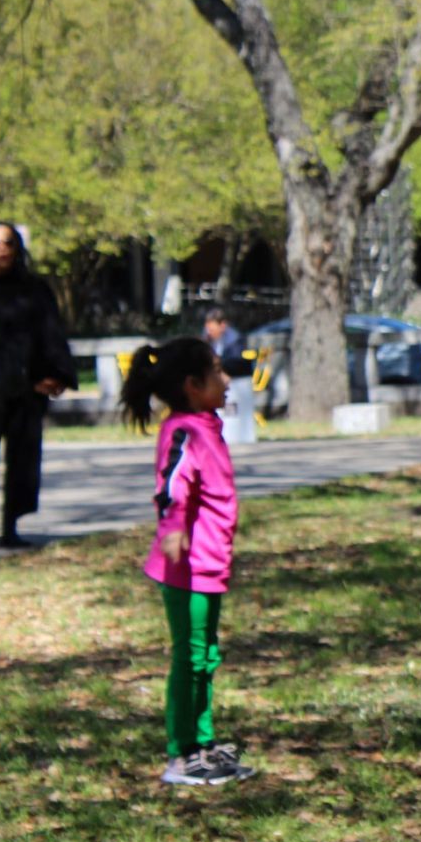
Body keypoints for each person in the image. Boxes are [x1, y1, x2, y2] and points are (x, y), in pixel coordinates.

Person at [121, 337, 256, 786]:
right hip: (186, 567)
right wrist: (174, 526)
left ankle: (203, 745)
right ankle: (181, 754)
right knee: (191, 657)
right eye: (217, 371)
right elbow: (173, 481)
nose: (226, 378)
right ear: (192, 385)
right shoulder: (183, 430)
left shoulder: (205, 424)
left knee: (206, 655)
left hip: (209, 564)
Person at [0, 223, 77, 550]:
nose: (1, 249)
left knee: (23, 461)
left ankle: (11, 527)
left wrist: (56, 375)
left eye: (8, 243)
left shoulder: (34, 289)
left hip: (28, 385)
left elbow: (50, 333)